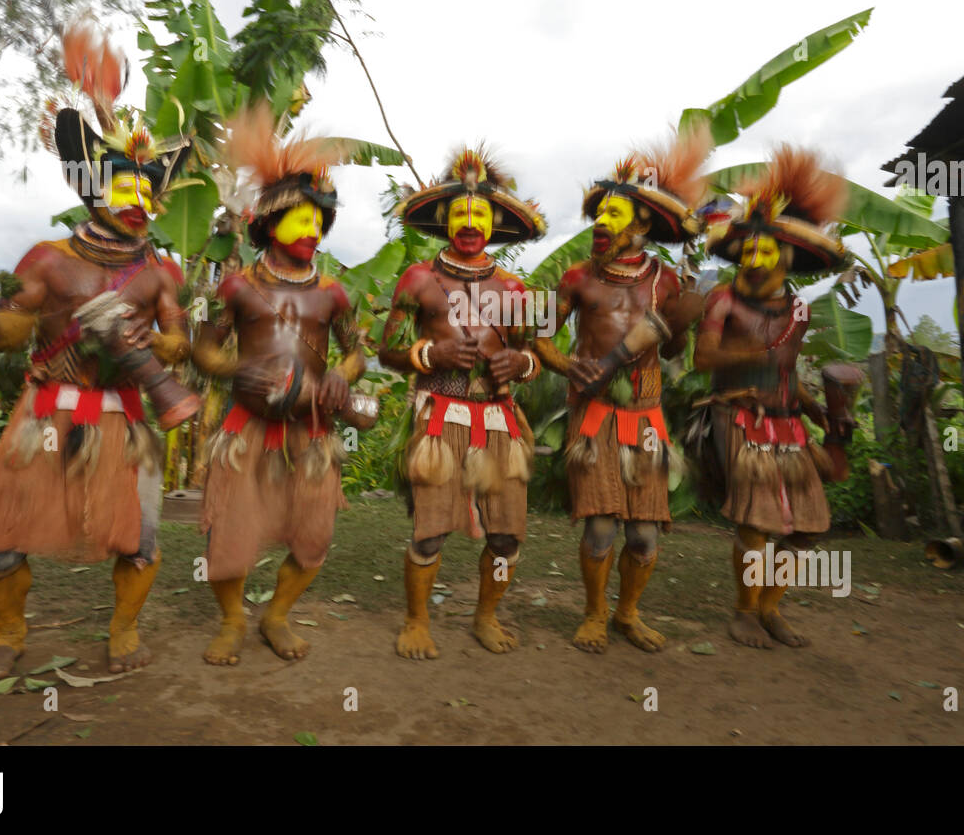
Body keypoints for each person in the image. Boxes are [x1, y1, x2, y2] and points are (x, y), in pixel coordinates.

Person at [0, 17, 193, 679]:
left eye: (150, 190)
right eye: (127, 187)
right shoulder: (50, 258)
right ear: (94, 189)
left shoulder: (160, 273)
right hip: (45, 413)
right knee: (4, 541)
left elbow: (178, 342)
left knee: (139, 540)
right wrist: (16, 322)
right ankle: (8, 633)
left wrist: (159, 344)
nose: (142, 201)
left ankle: (123, 629)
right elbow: (0, 329)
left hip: (123, 413)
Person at [194, 105, 370, 666]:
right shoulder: (236, 287)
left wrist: (341, 380)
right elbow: (202, 351)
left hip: (311, 432)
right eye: (301, 219)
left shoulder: (334, 293)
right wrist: (235, 370)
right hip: (247, 427)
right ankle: (232, 619)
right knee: (227, 539)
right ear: (270, 222)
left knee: (314, 538)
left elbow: (357, 353)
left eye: (320, 221)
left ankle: (276, 615)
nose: (313, 230)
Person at [534, 130, 709, 653]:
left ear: (644, 223)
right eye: (599, 214)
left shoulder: (666, 283)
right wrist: (574, 368)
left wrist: (682, 321)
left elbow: (676, 354)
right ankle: (593, 613)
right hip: (596, 419)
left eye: (613, 215)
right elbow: (540, 339)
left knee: (644, 535)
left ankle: (628, 614)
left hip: (647, 419)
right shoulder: (574, 279)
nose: (601, 224)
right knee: (601, 528)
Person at [378, 148, 546, 659]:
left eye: (479, 215)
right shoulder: (418, 279)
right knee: (429, 535)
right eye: (459, 214)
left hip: (498, 420)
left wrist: (522, 366)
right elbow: (386, 352)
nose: (469, 223)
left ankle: (486, 615)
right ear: (445, 221)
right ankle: (416, 620)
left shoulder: (515, 288)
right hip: (440, 418)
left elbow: (531, 353)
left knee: (506, 539)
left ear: (495, 222)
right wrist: (432, 352)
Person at [692, 145, 851, 649]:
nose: (755, 259)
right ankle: (743, 612)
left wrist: (818, 410)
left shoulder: (798, 311)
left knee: (806, 528)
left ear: (786, 257)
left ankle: (770, 608)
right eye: (748, 251)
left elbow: (787, 373)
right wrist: (752, 347)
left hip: (788, 423)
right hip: (737, 417)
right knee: (757, 522)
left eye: (766, 251)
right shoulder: (723, 301)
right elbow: (703, 358)